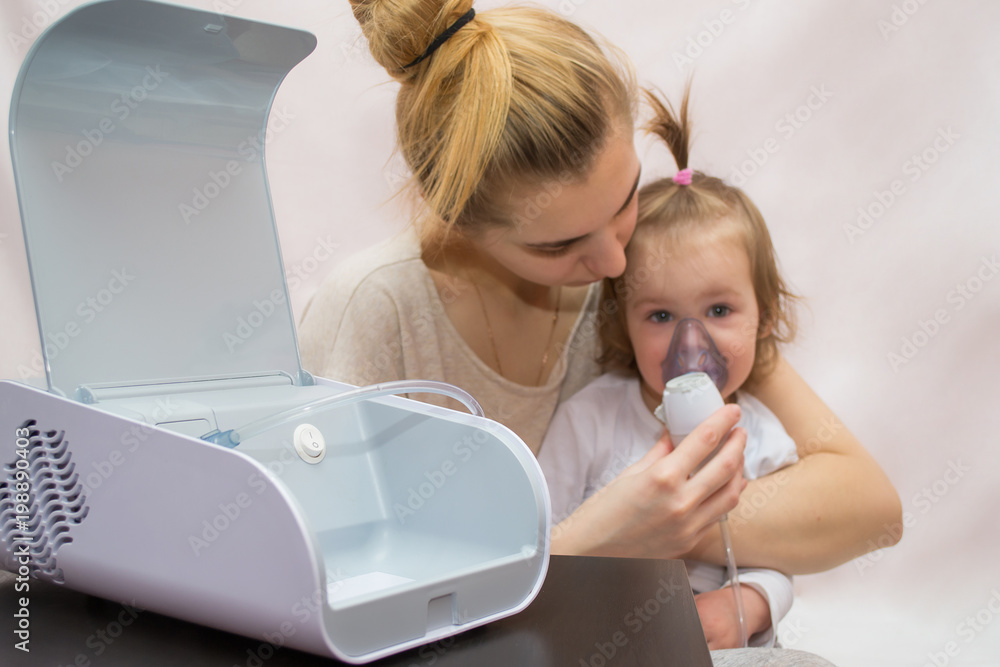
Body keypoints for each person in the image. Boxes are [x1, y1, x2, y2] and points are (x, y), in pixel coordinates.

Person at [299, 1, 900, 660]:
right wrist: (599, 537)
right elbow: (326, 602)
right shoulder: (375, 312)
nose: (615, 264)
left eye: (625, 200)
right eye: (558, 246)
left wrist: (691, 538)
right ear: (456, 217)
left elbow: (869, 508)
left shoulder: (655, 271)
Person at [538, 87, 804, 649]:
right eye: (660, 315)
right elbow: (542, 542)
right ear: (622, 325)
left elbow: (779, 561)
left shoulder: (763, 439)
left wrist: (747, 605)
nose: (691, 343)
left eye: (719, 310)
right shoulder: (589, 420)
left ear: (764, 315)